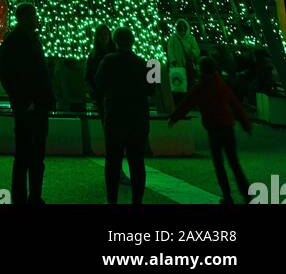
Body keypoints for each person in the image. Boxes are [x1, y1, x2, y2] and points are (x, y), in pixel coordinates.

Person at [168, 56, 252, 204]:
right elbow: (235, 104)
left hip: (214, 129)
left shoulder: (201, 86)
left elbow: (187, 102)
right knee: (234, 163)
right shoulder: (221, 83)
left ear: (201, 69)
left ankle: (227, 196)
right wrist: (246, 124)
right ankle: (246, 194)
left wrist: (174, 117)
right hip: (227, 126)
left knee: (219, 164)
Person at [0, 2, 54, 206]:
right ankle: (23, 198)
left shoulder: (29, 39)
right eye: (33, 15)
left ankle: (33, 197)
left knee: (35, 156)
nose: (36, 18)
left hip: (37, 105)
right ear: (23, 17)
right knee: (25, 155)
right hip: (30, 106)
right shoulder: (15, 41)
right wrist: (24, 101)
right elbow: (8, 76)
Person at [94, 26, 150, 205]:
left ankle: (112, 200)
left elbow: (98, 85)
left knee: (113, 161)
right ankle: (137, 201)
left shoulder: (108, 61)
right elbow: (152, 88)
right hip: (137, 119)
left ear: (115, 41)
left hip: (115, 117)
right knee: (137, 163)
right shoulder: (143, 63)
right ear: (132, 41)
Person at [167, 18, 200, 100]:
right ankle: (180, 99)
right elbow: (170, 50)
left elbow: (196, 50)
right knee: (179, 83)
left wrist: (192, 52)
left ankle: (189, 99)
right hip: (177, 65)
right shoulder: (173, 38)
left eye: (183, 28)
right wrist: (173, 60)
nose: (181, 29)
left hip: (188, 65)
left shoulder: (191, 38)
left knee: (189, 82)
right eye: (180, 28)